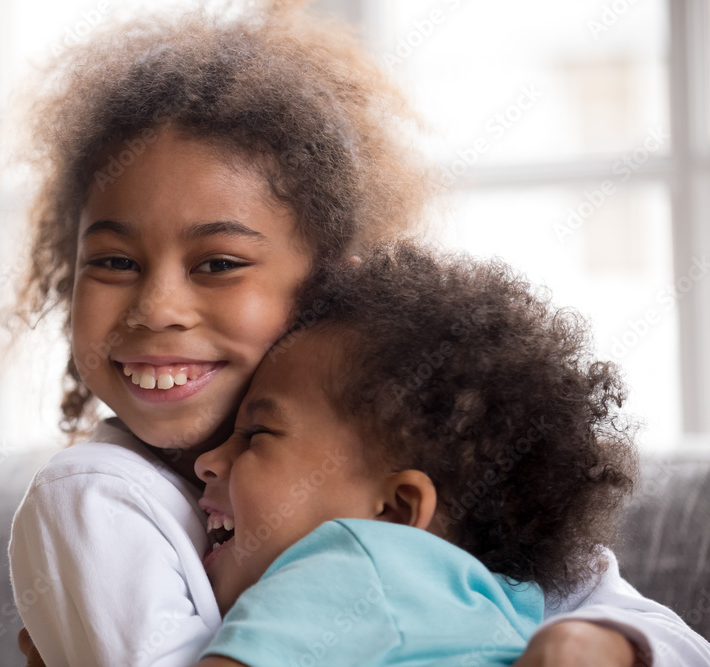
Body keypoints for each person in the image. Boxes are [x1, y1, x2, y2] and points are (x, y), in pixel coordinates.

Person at [7, 3, 710, 666]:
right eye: (113, 262)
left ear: (325, 287)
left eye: (219, 263)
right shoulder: (98, 492)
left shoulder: (416, 455)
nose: (157, 306)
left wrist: (598, 642)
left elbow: (657, 630)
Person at [192, 242, 640, 665]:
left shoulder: (350, 569)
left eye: (256, 435)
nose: (205, 461)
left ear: (394, 512)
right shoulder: (516, 605)